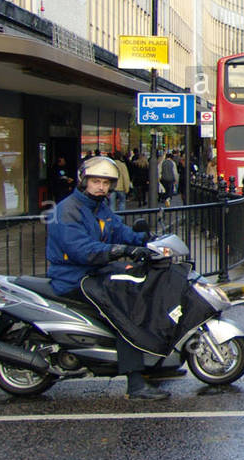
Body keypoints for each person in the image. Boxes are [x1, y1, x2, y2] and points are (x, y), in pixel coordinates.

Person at [45, 155, 166, 400]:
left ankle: (152, 363)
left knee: (140, 287)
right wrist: (119, 251)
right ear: (83, 181)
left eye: (106, 183)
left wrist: (145, 239)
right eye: (96, 181)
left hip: (96, 271)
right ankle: (135, 383)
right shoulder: (67, 210)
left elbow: (119, 231)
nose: (101, 187)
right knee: (126, 308)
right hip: (74, 276)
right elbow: (82, 250)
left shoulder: (100, 208)